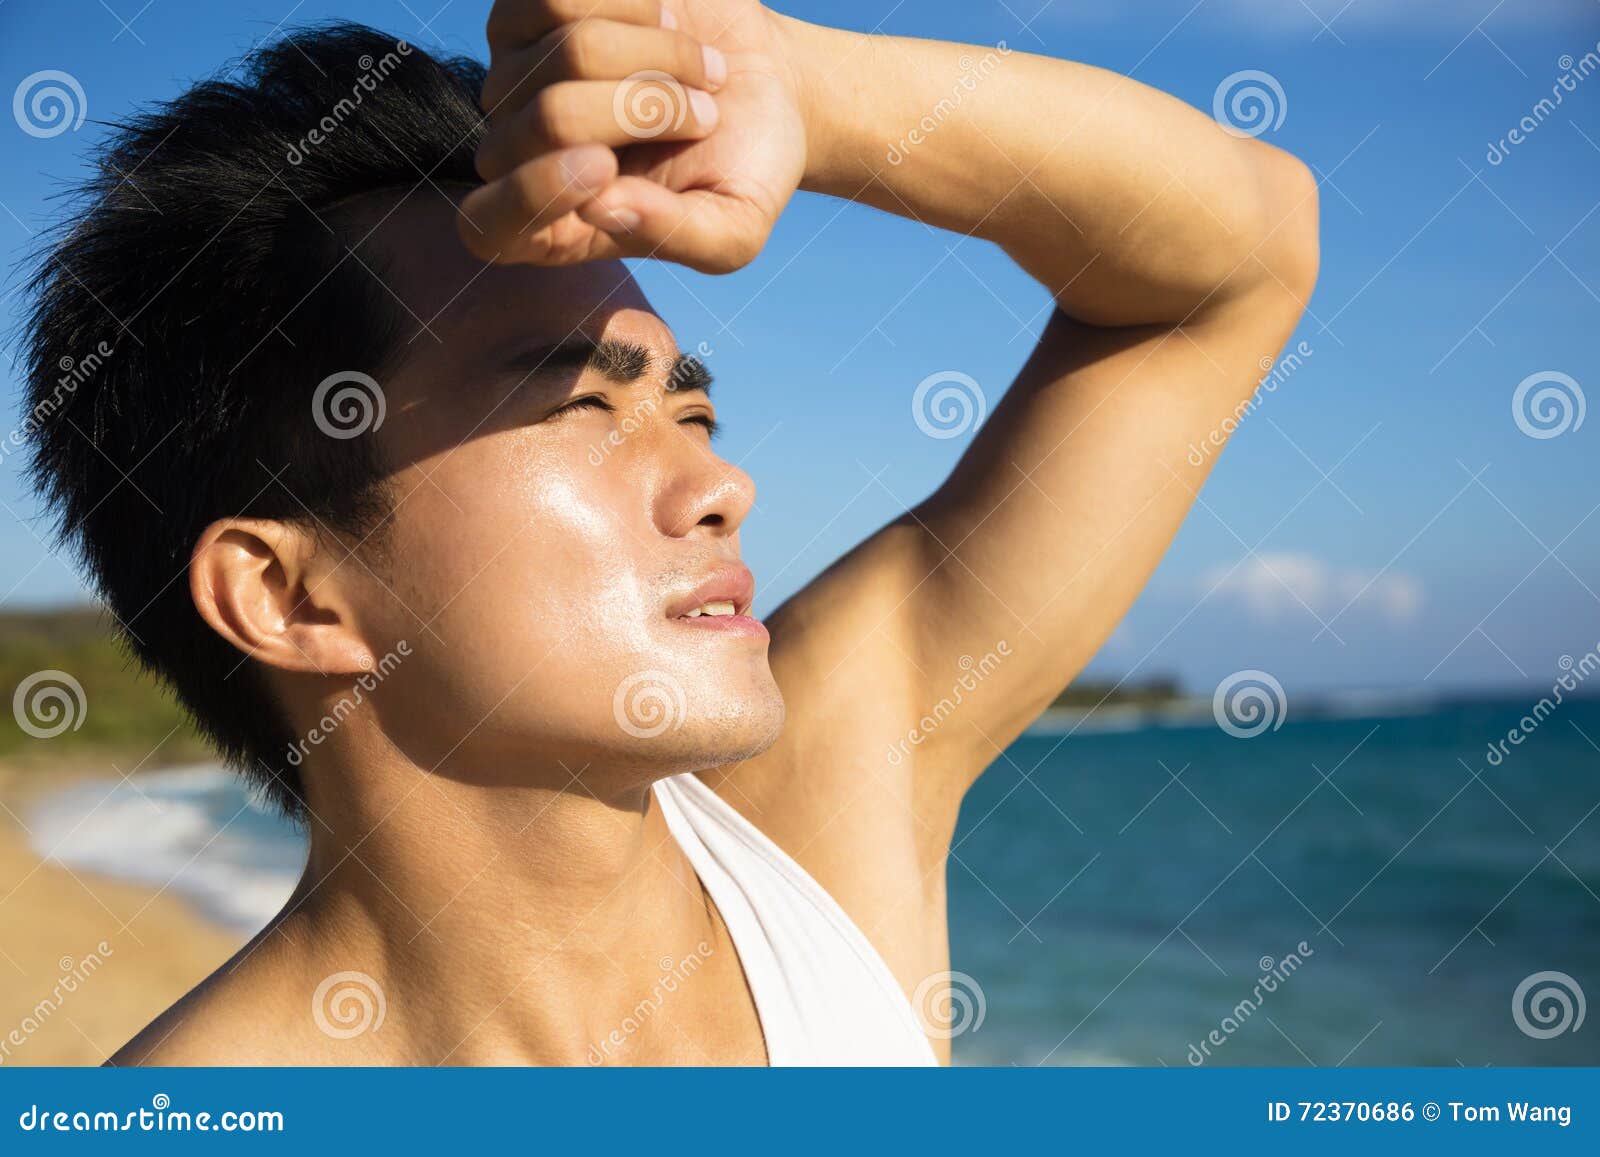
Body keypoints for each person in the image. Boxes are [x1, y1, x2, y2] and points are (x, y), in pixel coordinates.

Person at [20, 1, 1318, 1065]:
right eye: (587, 405)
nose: (720, 483)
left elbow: (1229, 266)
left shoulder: (816, 827)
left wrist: (787, 84)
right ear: (287, 594)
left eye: (691, 405)